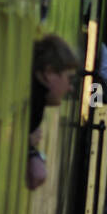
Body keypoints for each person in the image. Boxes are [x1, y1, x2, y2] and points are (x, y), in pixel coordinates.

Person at [27, 34, 80, 190]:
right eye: (69, 79)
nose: (70, 88)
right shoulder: (35, 101)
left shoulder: (38, 99)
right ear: (49, 73)